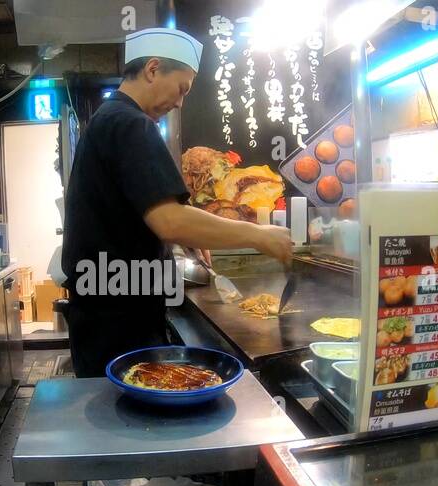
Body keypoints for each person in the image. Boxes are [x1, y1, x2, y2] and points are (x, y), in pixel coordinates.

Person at [61, 27, 293, 377]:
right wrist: (260, 236)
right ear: (153, 70)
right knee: (132, 414)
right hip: (119, 318)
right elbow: (169, 219)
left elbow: (143, 209)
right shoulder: (131, 124)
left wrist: (187, 233)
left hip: (103, 311)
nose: (181, 102)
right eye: (182, 88)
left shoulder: (108, 120)